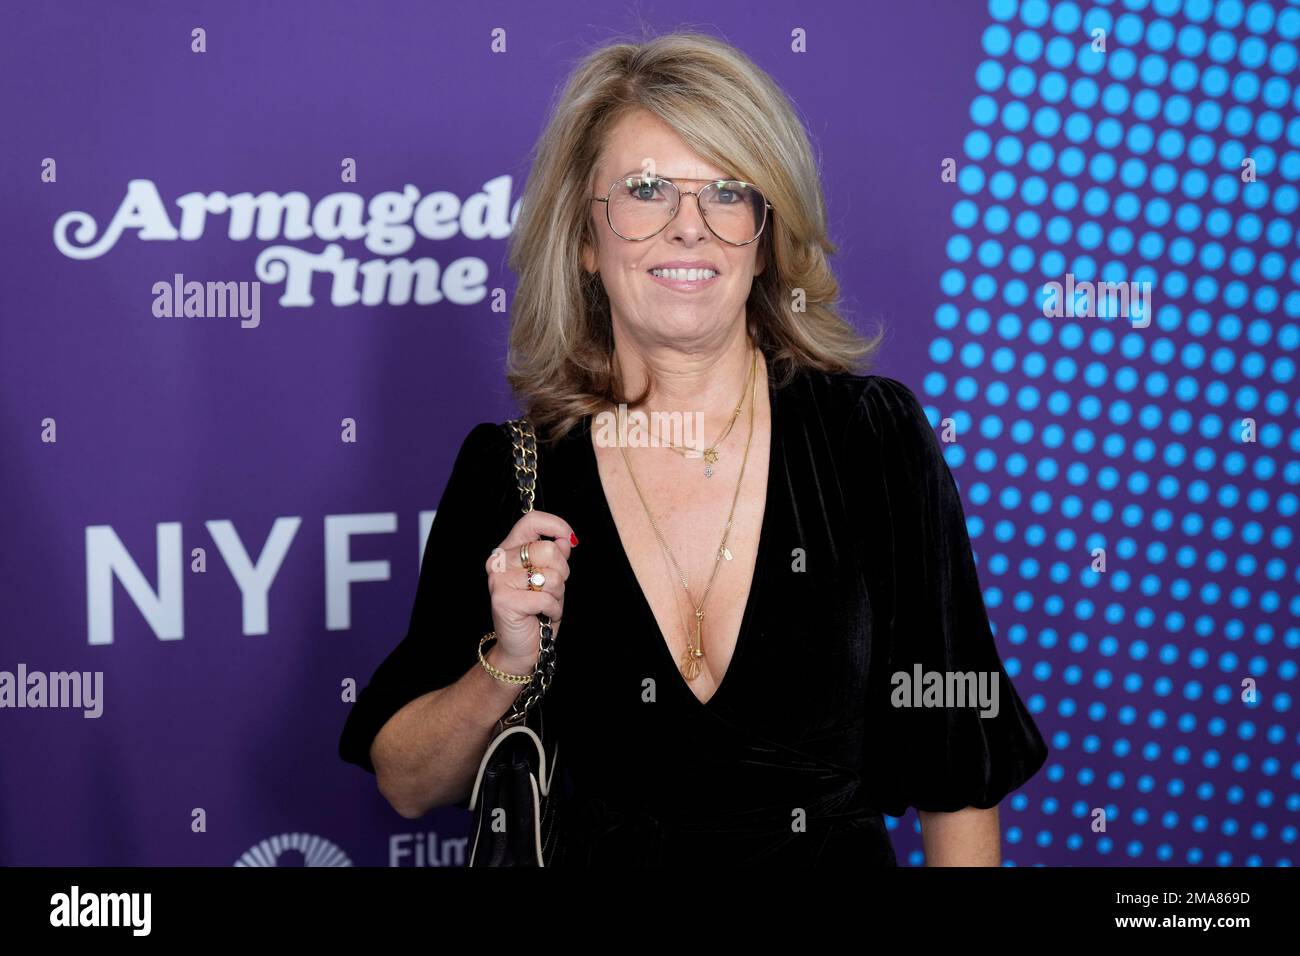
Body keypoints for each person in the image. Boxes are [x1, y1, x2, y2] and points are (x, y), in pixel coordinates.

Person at [339, 30, 1048, 866]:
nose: (689, 228)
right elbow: (408, 782)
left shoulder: (870, 437)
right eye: (645, 192)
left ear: (764, 236)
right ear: (585, 242)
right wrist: (507, 661)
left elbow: (955, 768)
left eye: (726, 193)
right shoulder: (516, 471)